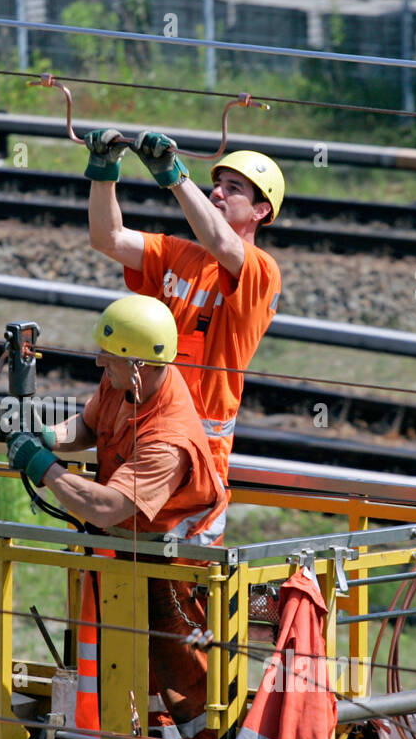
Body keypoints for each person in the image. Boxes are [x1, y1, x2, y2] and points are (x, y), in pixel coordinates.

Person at [4, 296, 228, 739]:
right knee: (136, 669)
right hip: (134, 554)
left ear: (140, 364)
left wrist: (44, 468)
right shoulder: (125, 384)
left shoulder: (169, 439)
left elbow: (104, 508)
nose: (99, 362)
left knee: (183, 679)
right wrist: (46, 436)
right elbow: (88, 424)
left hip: (175, 572)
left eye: (110, 355)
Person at [84, 129, 284, 483]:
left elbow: (223, 244)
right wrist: (103, 171)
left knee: (179, 535)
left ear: (261, 210)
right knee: (114, 528)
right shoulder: (178, 254)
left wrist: (175, 176)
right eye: (218, 184)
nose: (217, 192)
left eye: (233, 189)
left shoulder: (261, 272)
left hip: (196, 453)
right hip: (142, 431)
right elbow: (107, 238)